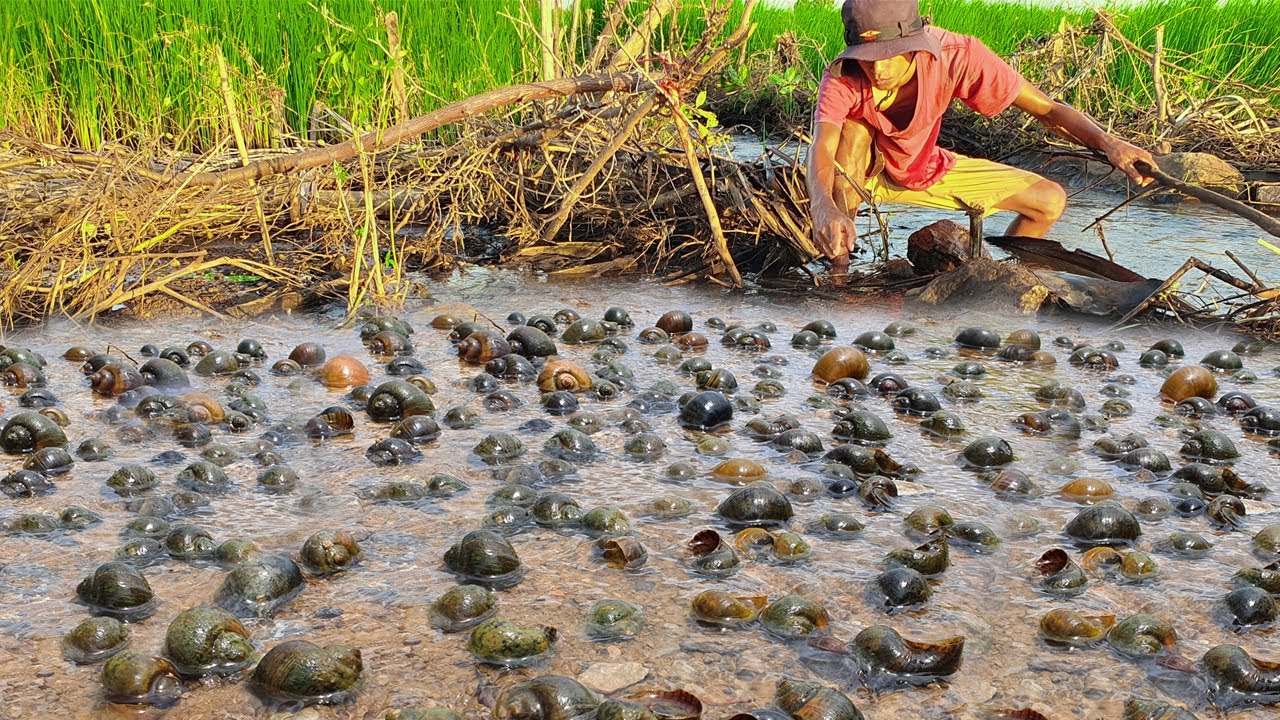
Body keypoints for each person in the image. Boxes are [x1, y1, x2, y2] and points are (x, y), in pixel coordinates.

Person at [808, 0, 1157, 267]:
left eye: (888, 56)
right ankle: (840, 275)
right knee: (852, 130)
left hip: (923, 168)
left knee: (1050, 200)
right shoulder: (843, 75)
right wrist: (823, 207)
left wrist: (1110, 145)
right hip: (857, 176)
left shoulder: (956, 56)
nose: (878, 70)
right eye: (867, 58)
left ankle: (1011, 279)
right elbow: (823, 147)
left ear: (916, 42)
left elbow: (1048, 110)